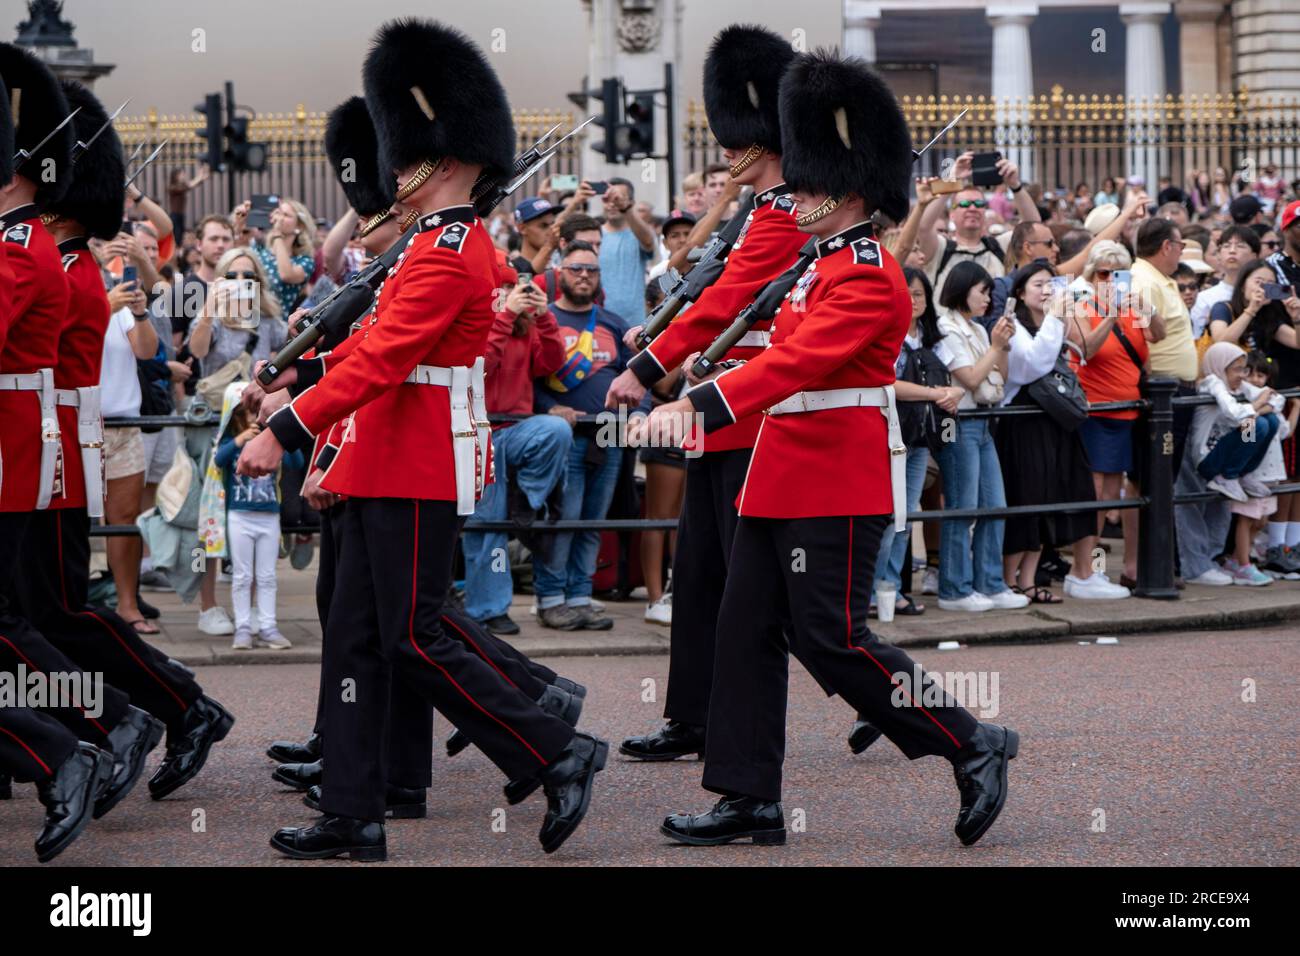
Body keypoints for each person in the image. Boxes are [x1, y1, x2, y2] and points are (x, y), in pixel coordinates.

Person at [244, 19, 607, 860]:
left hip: (413, 463)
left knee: (415, 635)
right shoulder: (422, 248)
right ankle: (353, 809)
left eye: (405, 159)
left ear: (443, 160)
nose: (392, 174)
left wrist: (289, 428)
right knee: (360, 640)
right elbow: (369, 349)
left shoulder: (449, 250)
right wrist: (300, 377)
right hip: (381, 457)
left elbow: (389, 358)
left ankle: (557, 750)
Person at [645, 48, 1016, 850]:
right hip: (779, 477)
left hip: (837, 480)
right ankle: (748, 797)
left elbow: (794, 364)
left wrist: (696, 405)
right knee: (743, 631)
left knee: (834, 639)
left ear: (848, 192)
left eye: (811, 183)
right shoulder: (815, 269)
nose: (797, 193)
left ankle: (968, 739)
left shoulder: (869, 273)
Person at [609, 24, 809, 760]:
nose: (727, 155)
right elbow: (706, 295)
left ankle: (884, 699)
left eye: (737, 141)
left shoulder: (786, 211)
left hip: (751, 417)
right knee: (700, 579)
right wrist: (663, 340)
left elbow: (724, 305)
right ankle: (691, 717)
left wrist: (646, 365)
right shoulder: (759, 208)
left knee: (758, 595)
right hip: (713, 414)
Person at [997, 262, 1130, 601]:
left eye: (1049, 284)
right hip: (1022, 424)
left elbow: (1083, 351)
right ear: (1020, 293)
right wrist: (1057, 316)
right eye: (1038, 285)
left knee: (1049, 499)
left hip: (1055, 421)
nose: (1046, 291)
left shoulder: (1056, 321)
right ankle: (1008, 580)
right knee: (1025, 499)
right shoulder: (1013, 326)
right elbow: (1030, 366)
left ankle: (1029, 580)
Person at [531, 241, 640, 630]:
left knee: (592, 520)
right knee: (566, 518)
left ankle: (580, 596)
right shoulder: (544, 320)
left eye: (591, 270)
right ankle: (551, 598)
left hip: (608, 434)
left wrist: (635, 416)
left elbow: (636, 378)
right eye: (576, 269)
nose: (584, 276)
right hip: (564, 436)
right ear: (560, 273)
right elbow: (527, 378)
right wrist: (550, 409)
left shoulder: (613, 322)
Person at [461, 261, 571, 635]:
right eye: (504, 289)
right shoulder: (479, 322)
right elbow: (481, 366)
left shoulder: (526, 325)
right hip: (478, 432)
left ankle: (526, 499)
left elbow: (553, 365)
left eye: (515, 288)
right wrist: (504, 317)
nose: (510, 295)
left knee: (556, 430)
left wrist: (544, 317)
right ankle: (488, 609)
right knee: (486, 526)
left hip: (517, 427)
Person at [932, 262, 1025, 612]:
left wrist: (1001, 345)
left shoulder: (978, 329)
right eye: (982, 291)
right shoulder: (944, 327)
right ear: (963, 288)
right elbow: (969, 378)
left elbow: (1002, 375)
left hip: (984, 420)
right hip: (961, 422)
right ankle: (954, 588)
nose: (988, 299)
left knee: (994, 504)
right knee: (963, 506)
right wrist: (995, 346)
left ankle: (989, 582)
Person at [1070, 241, 1162, 588]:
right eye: (1103, 272)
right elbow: (1086, 349)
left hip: (1127, 412)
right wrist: (1109, 312)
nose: (1109, 279)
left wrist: (1145, 308)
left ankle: (1098, 571)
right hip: (1096, 410)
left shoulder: (1131, 307)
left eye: (1117, 273)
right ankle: (1085, 571)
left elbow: (1159, 334)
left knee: (1112, 492)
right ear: (1092, 275)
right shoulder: (1080, 305)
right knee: (1095, 494)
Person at [873, 266, 963, 616]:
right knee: (885, 518)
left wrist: (950, 391)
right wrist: (936, 393)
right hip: (889, 437)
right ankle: (872, 592)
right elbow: (885, 383)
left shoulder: (933, 339)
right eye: (906, 292)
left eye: (919, 293)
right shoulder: (887, 334)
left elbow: (958, 381)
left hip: (920, 439)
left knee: (905, 518)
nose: (913, 300)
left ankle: (891, 588)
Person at [1192, 343, 1286, 585]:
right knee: (1256, 424)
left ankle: (1241, 473)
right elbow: (1234, 412)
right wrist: (1255, 408)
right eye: (1237, 369)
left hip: (1227, 452)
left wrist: (1257, 408)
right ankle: (1229, 475)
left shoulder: (1240, 384)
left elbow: (1278, 401)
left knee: (1269, 423)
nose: (1242, 375)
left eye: (1244, 369)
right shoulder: (1212, 382)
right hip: (1208, 457)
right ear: (1222, 367)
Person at [213, 397, 301, 649]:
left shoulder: (272, 441)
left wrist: (282, 433)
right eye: (250, 414)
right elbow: (218, 459)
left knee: (267, 575)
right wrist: (241, 440)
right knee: (241, 575)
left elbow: (296, 463)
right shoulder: (234, 440)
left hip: (269, 515)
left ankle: (268, 626)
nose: (255, 419)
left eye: (259, 414)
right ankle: (242, 627)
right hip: (239, 514)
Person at [594, 176, 656, 325]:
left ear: (631, 203)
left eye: (618, 198)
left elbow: (648, 242)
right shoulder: (593, 235)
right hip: (599, 322)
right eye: (608, 199)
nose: (613, 204)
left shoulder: (639, 233)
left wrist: (626, 208)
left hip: (633, 323)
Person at [1191, 225, 1259, 338]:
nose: (1232, 251)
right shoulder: (1204, 298)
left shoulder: (1262, 296)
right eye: (1226, 246)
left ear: (1255, 256)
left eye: (1240, 246)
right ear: (1219, 254)